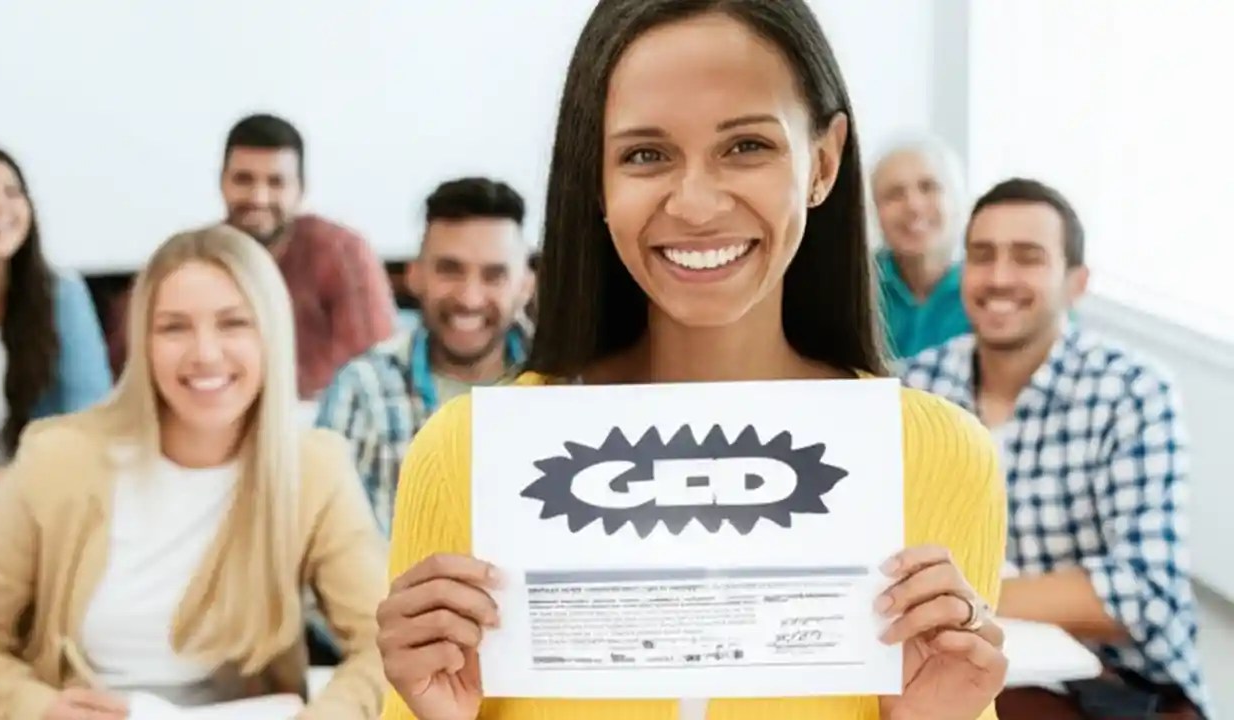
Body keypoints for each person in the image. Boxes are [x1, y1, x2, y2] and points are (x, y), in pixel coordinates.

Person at [374, 2, 1008, 719]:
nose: (697, 205)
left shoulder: (940, 458)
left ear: (824, 162)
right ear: (595, 178)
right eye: (646, 155)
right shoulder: (465, 457)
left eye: (747, 146)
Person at [0, 226, 388, 720]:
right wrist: (39, 708)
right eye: (174, 328)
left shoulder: (314, 467)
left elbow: (386, 645)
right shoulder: (58, 458)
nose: (205, 353)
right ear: (143, 342)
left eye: (233, 323)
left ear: (271, 333)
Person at [901, 178, 1208, 719]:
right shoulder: (918, 384)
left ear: (1076, 283)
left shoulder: (1132, 391)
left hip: (1122, 690)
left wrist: (963, 594)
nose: (999, 278)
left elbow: (1144, 591)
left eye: (1028, 258)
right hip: (957, 674)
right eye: (982, 256)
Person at [106, 113, 399, 399]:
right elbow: (128, 366)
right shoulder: (190, 258)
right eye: (244, 180)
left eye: (276, 182)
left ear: (300, 190)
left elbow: (377, 369)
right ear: (222, 183)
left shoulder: (342, 253)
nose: (259, 197)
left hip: (315, 414)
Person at [316, 176, 534, 538]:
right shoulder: (362, 389)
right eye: (450, 270)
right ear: (415, 276)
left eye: (494, 275)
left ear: (526, 285)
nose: (470, 298)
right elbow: (322, 541)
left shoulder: (568, 384)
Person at [0, 143, 112, 519]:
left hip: (42, 508)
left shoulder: (62, 295)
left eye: (13, 192)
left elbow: (92, 426)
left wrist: (13, 483)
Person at [870, 135, 971, 359]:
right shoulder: (853, 287)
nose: (914, 206)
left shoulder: (984, 288)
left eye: (928, 187)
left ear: (956, 201)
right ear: (874, 210)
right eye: (895, 194)